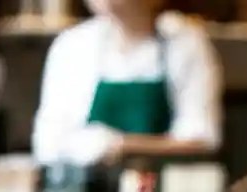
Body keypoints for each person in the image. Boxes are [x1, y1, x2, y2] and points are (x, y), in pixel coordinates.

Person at [32, 0, 223, 165]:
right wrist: (89, 146)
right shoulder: (72, 46)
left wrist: (121, 145)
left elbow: (201, 140)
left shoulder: (184, 43)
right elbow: (47, 145)